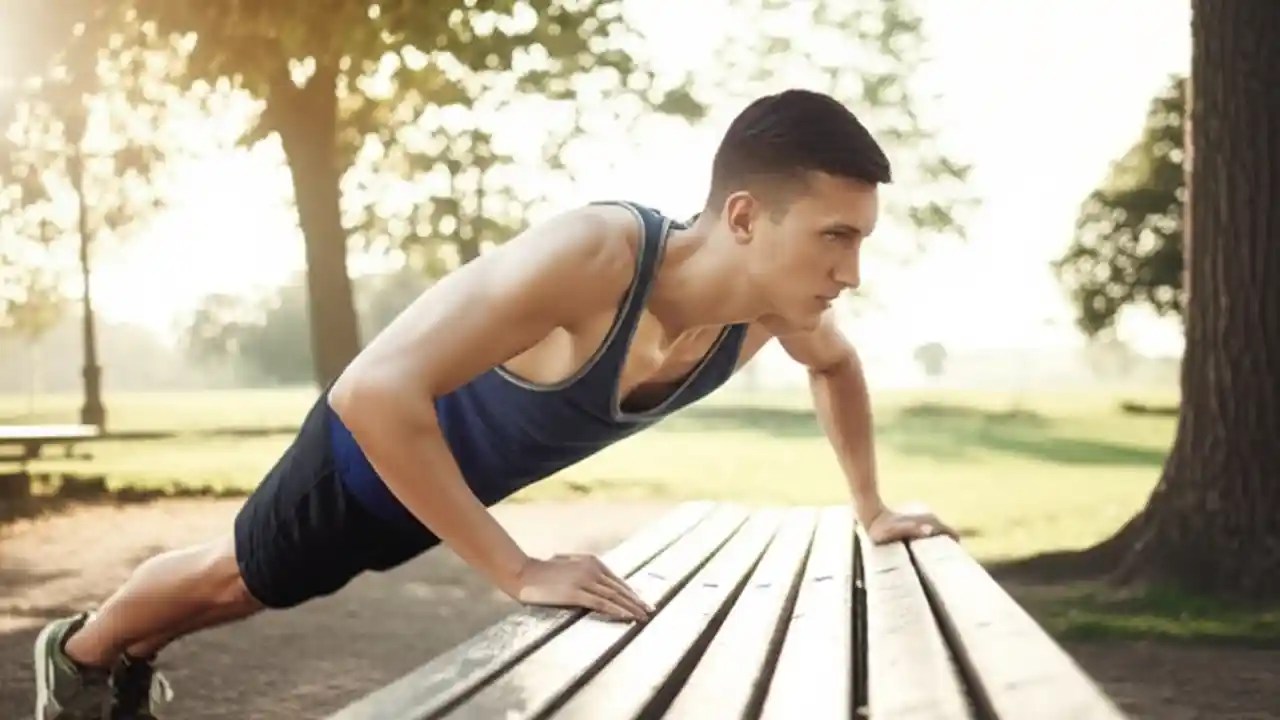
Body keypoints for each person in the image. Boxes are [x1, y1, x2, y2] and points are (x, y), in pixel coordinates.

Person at [32, 87, 958, 719]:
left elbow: (835, 368)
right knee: (239, 577)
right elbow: (372, 389)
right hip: (366, 455)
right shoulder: (600, 256)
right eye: (836, 237)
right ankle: (80, 655)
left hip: (439, 493)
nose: (852, 272)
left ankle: (122, 658)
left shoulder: (764, 316)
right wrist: (514, 569)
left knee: (263, 585)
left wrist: (870, 508)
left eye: (861, 241)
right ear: (748, 216)